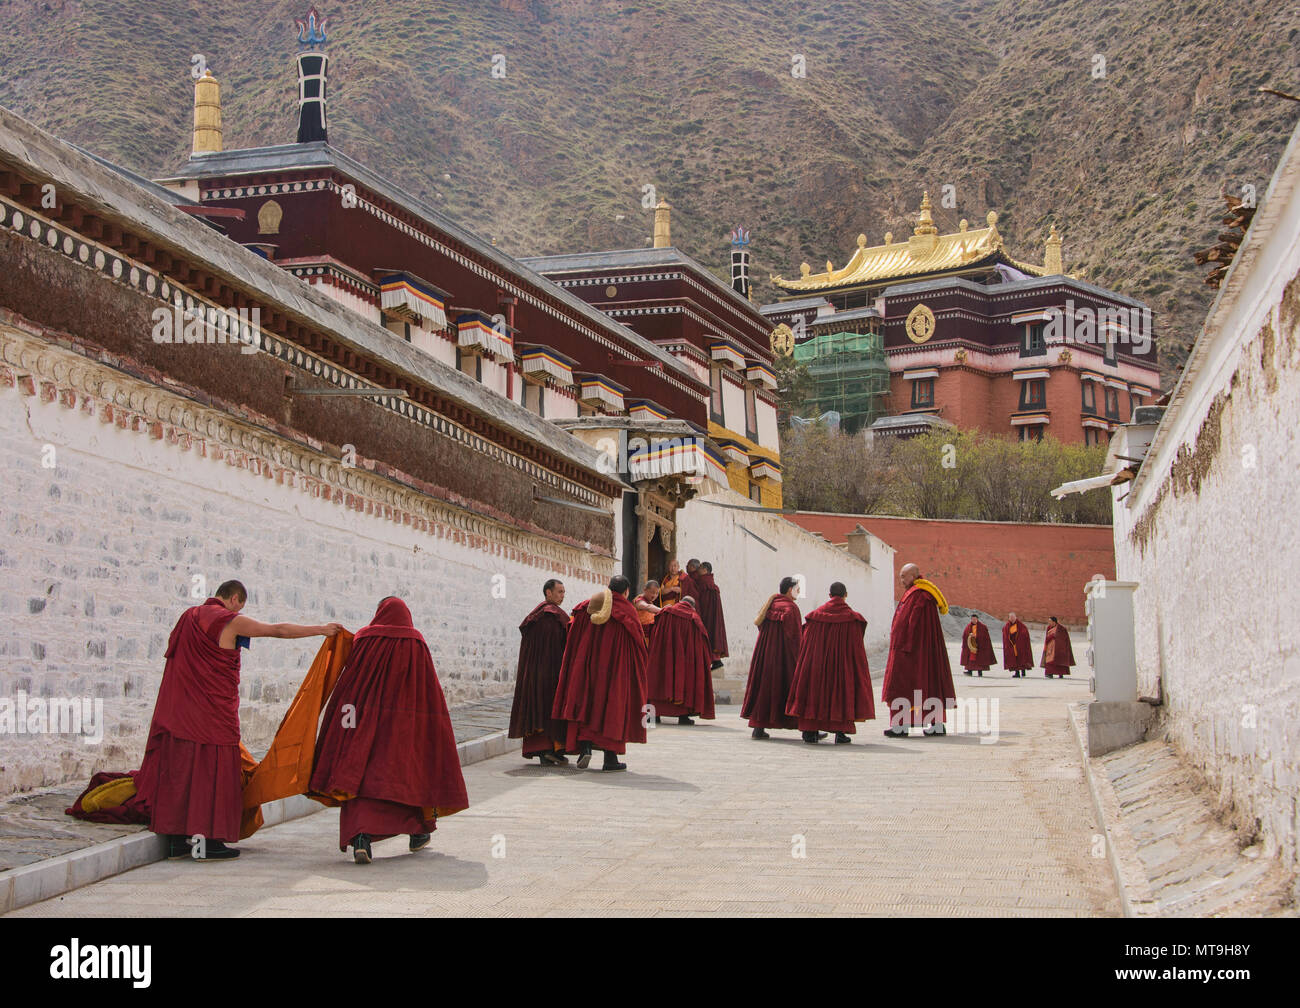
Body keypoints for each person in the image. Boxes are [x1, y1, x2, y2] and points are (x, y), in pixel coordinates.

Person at [132, 580, 343, 861]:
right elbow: (277, 630)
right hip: (213, 715)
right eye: (240, 606)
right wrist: (321, 630)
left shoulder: (189, 617)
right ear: (234, 599)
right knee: (215, 772)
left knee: (183, 771)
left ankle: (175, 841)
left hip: (181, 712)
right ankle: (209, 843)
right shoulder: (230, 621)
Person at [310, 597, 468, 864]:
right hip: (403, 724)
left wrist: (344, 722)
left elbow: (351, 681)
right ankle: (417, 832)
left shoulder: (364, 638)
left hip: (364, 722)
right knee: (408, 775)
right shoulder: (416, 641)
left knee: (360, 776)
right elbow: (428, 689)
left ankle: (361, 837)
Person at [551, 576, 649, 772]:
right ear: (626, 592)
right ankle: (610, 758)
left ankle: (585, 747)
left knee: (587, 702)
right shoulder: (627, 610)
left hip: (587, 667)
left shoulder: (587, 605)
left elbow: (573, 635)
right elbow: (638, 643)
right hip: (614, 671)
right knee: (612, 708)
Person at [785, 582, 874, 744]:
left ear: (829, 596)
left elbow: (807, 644)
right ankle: (840, 733)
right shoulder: (853, 619)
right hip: (842, 666)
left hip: (817, 665)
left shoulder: (815, 617)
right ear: (845, 595)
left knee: (815, 693)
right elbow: (856, 648)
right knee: (841, 694)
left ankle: (811, 732)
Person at [881, 564, 956, 737]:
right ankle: (930, 725)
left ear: (914, 576)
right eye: (900, 576)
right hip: (911, 650)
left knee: (910, 686)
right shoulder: (914, 593)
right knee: (925, 685)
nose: (901, 581)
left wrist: (905, 647)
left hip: (915, 652)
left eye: (904, 576)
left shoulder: (922, 596)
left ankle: (904, 726)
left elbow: (915, 626)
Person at [508, 579, 571, 766]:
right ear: (548, 593)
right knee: (546, 709)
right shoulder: (548, 616)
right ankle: (546, 750)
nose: (562, 595)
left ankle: (553, 750)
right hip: (549, 673)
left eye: (563, 592)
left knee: (544, 709)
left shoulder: (542, 615)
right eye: (559, 592)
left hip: (536, 673)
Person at [741, 576, 803, 739]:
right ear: (790, 590)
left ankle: (758, 728)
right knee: (793, 689)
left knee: (764, 688)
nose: (799, 592)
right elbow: (795, 637)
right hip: (783, 657)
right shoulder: (791, 608)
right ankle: (808, 731)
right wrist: (800, 658)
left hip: (764, 654)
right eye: (797, 588)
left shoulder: (770, 605)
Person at [646, 596, 715, 726]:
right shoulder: (694, 618)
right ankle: (683, 717)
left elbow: (653, 631)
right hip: (685, 661)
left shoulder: (665, 613)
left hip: (663, 656)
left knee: (659, 678)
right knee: (685, 682)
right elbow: (702, 644)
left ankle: (654, 715)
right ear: (692, 606)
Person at [693, 560, 730, 670]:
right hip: (712, 614)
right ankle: (716, 660)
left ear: (705, 570)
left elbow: (702, 600)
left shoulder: (705, 583)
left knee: (708, 635)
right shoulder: (710, 583)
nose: (697, 570)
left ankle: (714, 660)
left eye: (699, 568)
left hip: (707, 614)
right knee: (712, 635)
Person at [1002, 611, 1034, 678]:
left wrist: (1019, 639)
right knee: (1014, 659)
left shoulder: (1021, 626)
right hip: (1012, 645)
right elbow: (1005, 635)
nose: (1012, 619)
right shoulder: (1006, 626)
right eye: (1010, 617)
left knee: (1021, 658)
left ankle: (1023, 671)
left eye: (1013, 617)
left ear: (1016, 617)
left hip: (1020, 645)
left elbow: (1024, 634)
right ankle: (1017, 672)